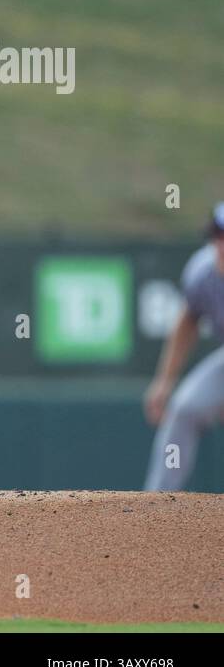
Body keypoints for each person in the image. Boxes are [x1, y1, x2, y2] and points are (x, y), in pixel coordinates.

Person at [142, 204, 224, 491]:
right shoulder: (202, 272)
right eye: (218, 235)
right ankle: (157, 508)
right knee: (184, 409)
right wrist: (164, 382)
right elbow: (187, 322)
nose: (221, 243)